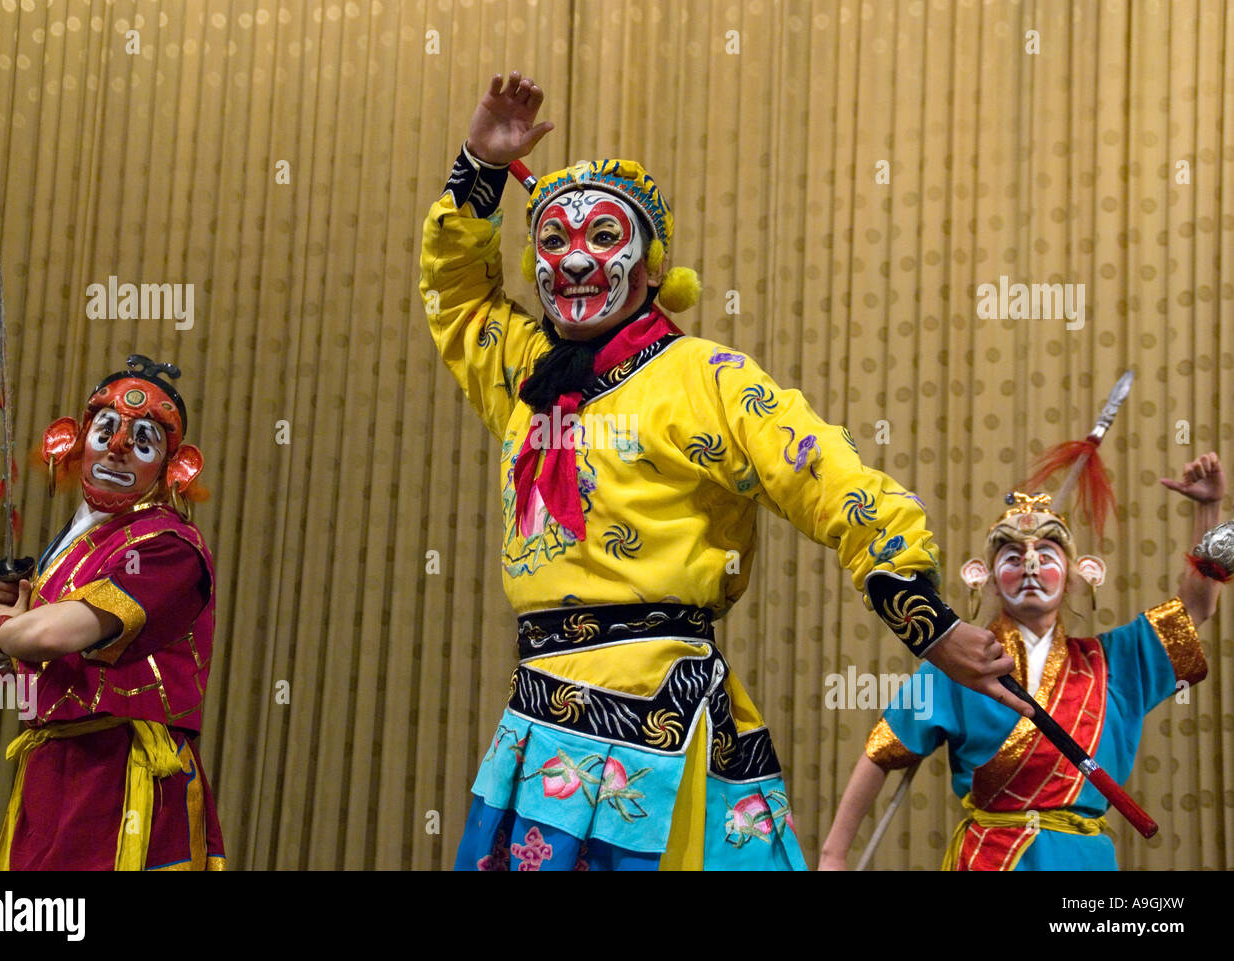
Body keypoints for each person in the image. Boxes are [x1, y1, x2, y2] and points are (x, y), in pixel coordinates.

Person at [421, 71, 1028, 870]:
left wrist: (929, 621)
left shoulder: (706, 378)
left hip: (660, 719)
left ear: (649, 260)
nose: (574, 261)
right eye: (554, 241)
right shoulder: (527, 375)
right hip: (538, 717)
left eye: (604, 237)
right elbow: (458, 296)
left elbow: (829, 477)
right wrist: (481, 165)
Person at [819, 454, 1222, 871]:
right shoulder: (954, 668)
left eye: (1047, 555)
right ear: (987, 577)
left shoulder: (1115, 662)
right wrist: (835, 855)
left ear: (1075, 574)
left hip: (1081, 859)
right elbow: (881, 753)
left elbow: (1197, 606)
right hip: (989, 858)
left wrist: (1208, 508)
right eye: (1012, 557)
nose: (1030, 566)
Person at [0, 354, 225, 871]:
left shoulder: (169, 546)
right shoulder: (72, 548)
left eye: (143, 443)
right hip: (53, 769)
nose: (117, 451)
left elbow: (47, 637)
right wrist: (12, 645)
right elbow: (40, 665)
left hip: (121, 771)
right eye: (106, 430)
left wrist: (8, 632)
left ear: (174, 467)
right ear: (69, 439)